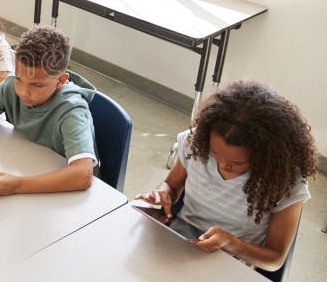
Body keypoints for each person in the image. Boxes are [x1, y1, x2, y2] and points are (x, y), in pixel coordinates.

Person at [135, 80, 318, 272]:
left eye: (237, 163)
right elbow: (170, 186)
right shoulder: (196, 143)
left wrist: (230, 243)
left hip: (231, 266)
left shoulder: (284, 182)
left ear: (265, 155)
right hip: (180, 243)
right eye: (215, 152)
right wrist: (162, 193)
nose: (222, 164)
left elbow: (275, 259)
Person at [0, 26, 97, 195]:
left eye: (37, 85)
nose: (23, 92)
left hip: (67, 193)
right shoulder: (11, 86)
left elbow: (82, 175)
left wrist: (16, 185)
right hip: (29, 168)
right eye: (19, 79)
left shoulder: (72, 110)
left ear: (60, 81)